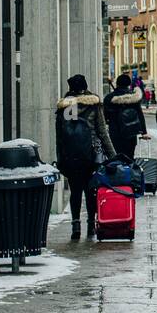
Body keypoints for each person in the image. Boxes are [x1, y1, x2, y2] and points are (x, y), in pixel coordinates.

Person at [55, 74, 116, 241]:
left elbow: (61, 136)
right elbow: (102, 132)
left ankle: (75, 226)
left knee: (75, 191)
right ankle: (91, 225)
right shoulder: (93, 105)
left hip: (72, 156)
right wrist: (113, 156)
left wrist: (60, 158)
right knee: (91, 191)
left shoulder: (67, 107)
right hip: (91, 154)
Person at [104, 73, 149, 161]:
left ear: (117, 84)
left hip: (115, 133)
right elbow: (140, 115)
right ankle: (129, 173)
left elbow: (105, 116)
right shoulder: (133, 98)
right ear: (129, 84)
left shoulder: (109, 98)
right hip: (130, 133)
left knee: (116, 158)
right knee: (129, 157)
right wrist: (144, 132)